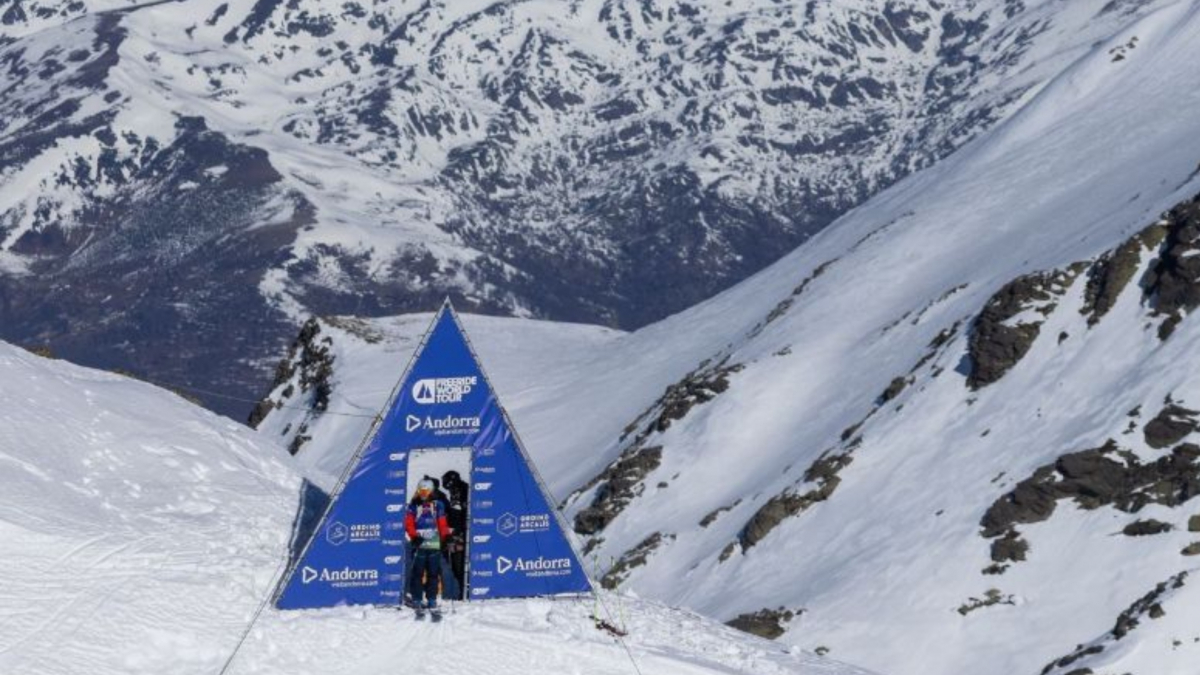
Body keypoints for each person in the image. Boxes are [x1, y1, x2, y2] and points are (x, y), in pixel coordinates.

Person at [405, 478, 452, 616]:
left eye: (426, 491)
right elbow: (409, 523)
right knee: (417, 573)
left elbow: (442, 523)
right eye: (421, 491)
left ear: (431, 491)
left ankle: (432, 599)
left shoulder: (438, 505)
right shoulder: (413, 505)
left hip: (434, 544)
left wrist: (446, 536)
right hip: (419, 544)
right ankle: (417, 599)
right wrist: (414, 537)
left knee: (433, 573)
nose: (423, 494)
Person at [441, 470, 469, 600]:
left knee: (458, 565)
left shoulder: (460, 491)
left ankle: (460, 593)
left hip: (461, 533)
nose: (447, 487)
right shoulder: (459, 490)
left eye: (447, 484)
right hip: (459, 531)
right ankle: (459, 592)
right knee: (457, 564)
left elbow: (458, 513)